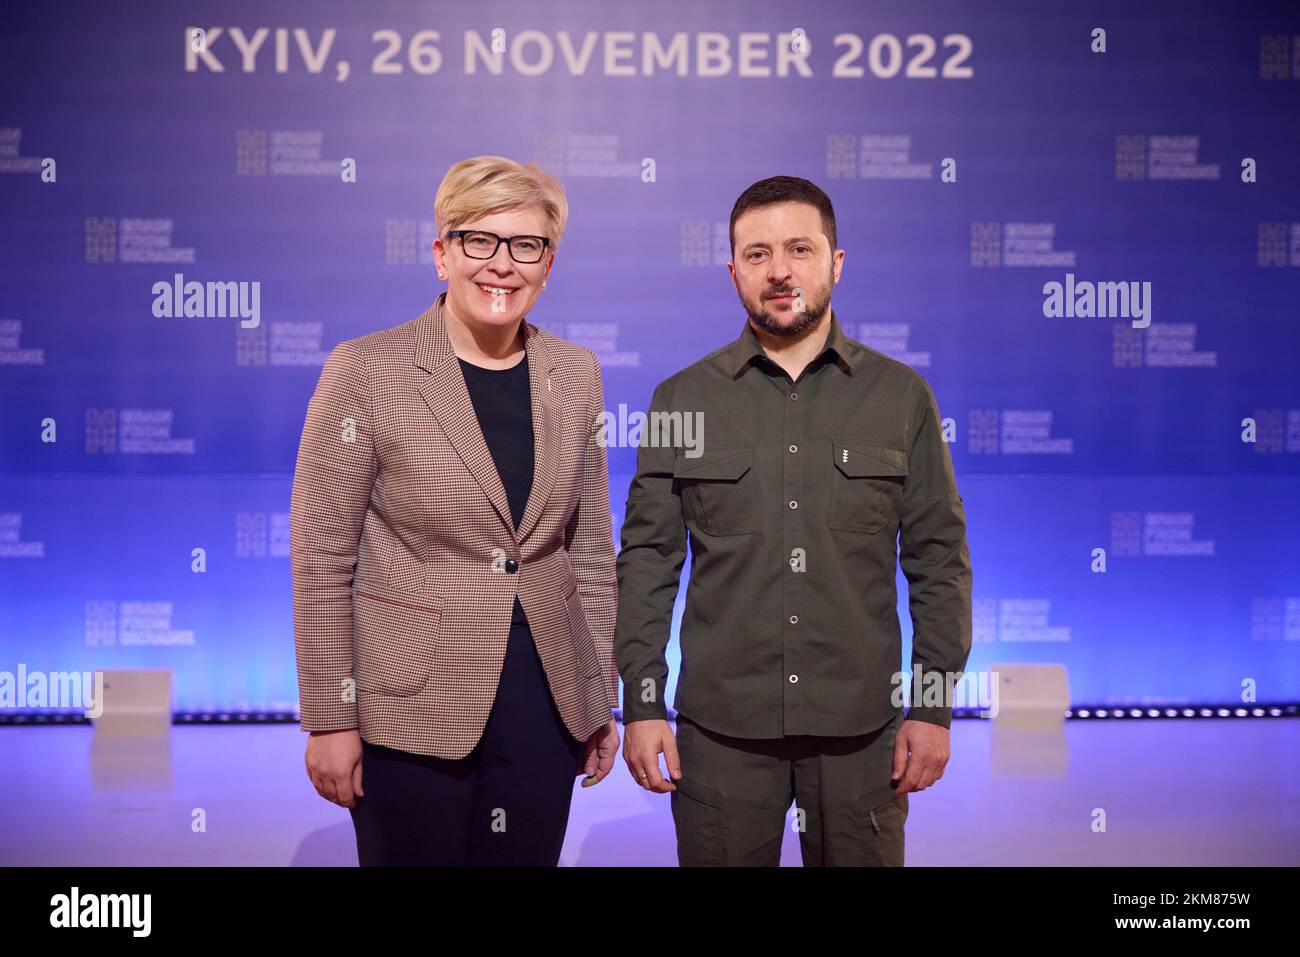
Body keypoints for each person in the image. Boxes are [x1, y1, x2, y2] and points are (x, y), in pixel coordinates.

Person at [615, 175, 973, 866]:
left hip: (861, 737)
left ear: (836, 261)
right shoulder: (681, 399)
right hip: (720, 738)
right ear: (733, 271)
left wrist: (931, 706)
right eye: (756, 254)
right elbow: (648, 562)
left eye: (799, 249)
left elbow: (939, 560)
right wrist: (643, 703)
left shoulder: (902, 396)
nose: (779, 270)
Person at [291, 155, 620, 866]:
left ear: (547, 265)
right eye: (479, 240)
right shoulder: (366, 369)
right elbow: (322, 558)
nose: (502, 264)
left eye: (525, 245)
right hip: (406, 710)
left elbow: (589, 549)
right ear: (442, 254)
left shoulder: (578, 372)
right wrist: (329, 717)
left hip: (545, 706)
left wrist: (597, 699)